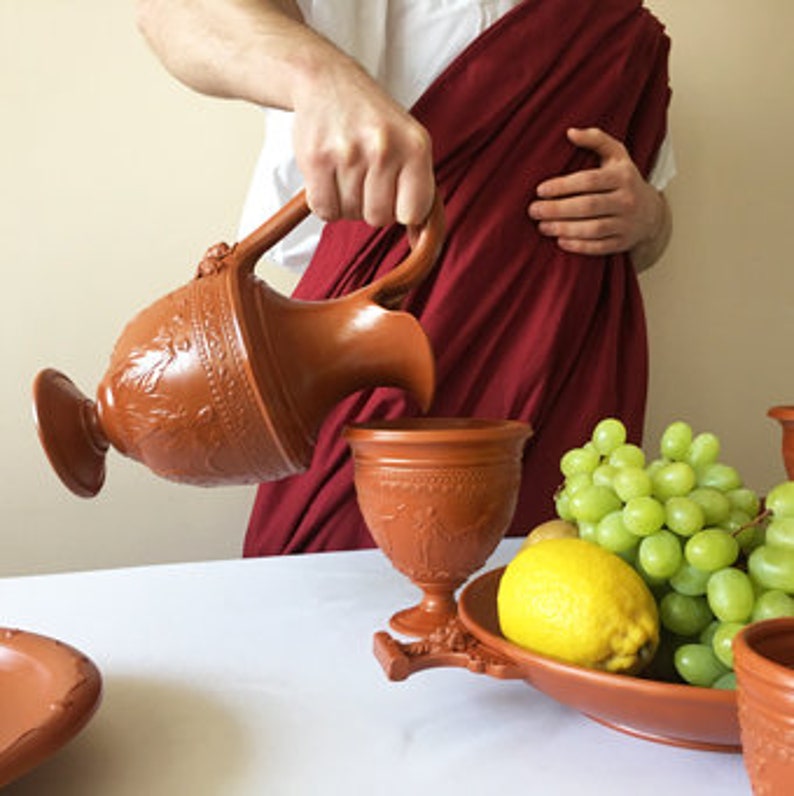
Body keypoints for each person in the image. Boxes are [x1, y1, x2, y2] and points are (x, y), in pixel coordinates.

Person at [136, 0, 674, 555]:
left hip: (564, 370)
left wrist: (650, 217)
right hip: (366, 357)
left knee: (552, 616)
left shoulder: (613, 27)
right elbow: (171, 12)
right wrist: (321, 77)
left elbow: (653, 240)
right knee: (332, 604)